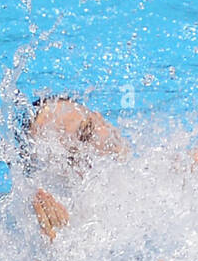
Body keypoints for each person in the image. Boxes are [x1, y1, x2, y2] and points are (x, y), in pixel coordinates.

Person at [20, 96, 128, 241]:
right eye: (71, 159)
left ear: (99, 118)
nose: (87, 154)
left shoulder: (167, 162)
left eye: (87, 132)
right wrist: (61, 246)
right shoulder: (88, 225)